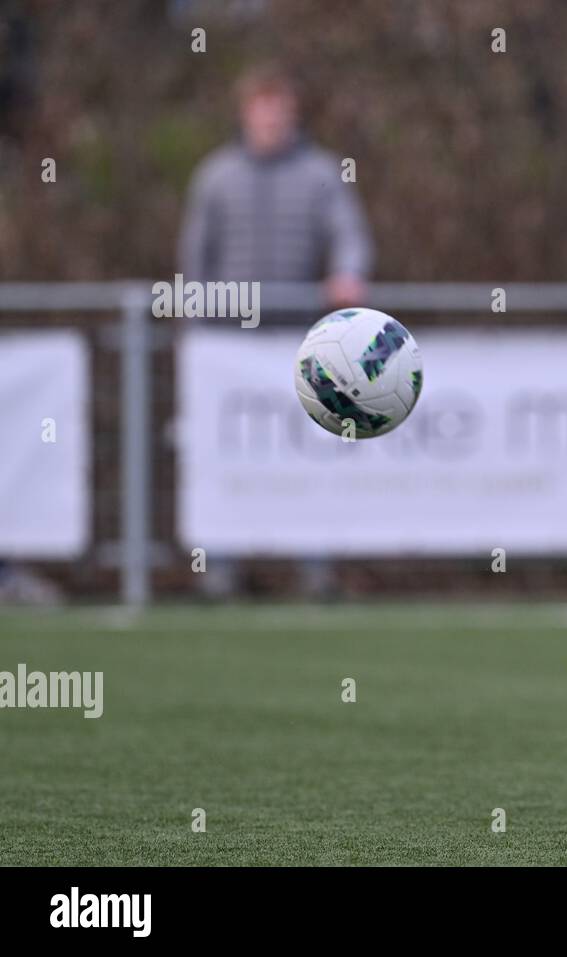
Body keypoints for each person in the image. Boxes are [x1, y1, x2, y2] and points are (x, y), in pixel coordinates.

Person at [178, 63, 373, 598]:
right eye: (261, 108)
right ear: (246, 113)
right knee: (226, 453)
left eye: (279, 109)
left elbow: (349, 235)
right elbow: (194, 262)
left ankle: (316, 570)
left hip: (302, 342)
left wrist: (348, 275)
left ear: (292, 113)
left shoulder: (319, 173)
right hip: (227, 345)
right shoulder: (214, 176)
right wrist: (196, 329)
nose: (270, 119)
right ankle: (219, 569)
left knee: (309, 450)